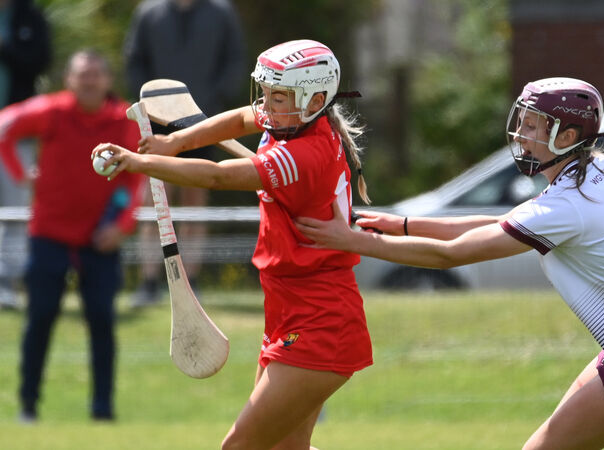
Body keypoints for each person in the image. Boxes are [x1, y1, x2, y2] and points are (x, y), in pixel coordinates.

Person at [295, 78, 604, 449]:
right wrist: (404, 225)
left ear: (568, 136)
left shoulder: (571, 202)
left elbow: (452, 254)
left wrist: (353, 241)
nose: (520, 134)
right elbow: (502, 223)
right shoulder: (594, 170)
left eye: (532, 126)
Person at [93, 39, 373, 448]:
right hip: (292, 311)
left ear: (315, 100)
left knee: (239, 447)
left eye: (278, 97)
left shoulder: (303, 154)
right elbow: (243, 117)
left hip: (320, 322)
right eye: (266, 93)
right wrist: (175, 143)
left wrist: (140, 162)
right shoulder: (293, 118)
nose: (266, 105)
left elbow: (218, 176)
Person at [0, 49, 144, 422]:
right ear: (69, 80)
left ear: (108, 80)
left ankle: (102, 411)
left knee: (101, 321)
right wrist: (20, 173)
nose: (89, 81)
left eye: (96, 74)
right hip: (49, 233)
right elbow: (5, 127)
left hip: (101, 238)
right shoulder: (51, 111)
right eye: (82, 74)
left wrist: (122, 226)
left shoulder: (124, 119)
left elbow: (138, 177)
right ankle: (28, 406)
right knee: (40, 318)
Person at [123, 0, 247, 306]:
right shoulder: (148, 12)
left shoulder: (221, 12)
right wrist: (150, 104)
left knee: (195, 201)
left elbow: (234, 61)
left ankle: (191, 283)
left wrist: (214, 100)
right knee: (155, 199)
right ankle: (149, 283)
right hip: (155, 122)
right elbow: (134, 61)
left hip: (204, 121)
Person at [0, 0, 51, 309]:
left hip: (17, 135)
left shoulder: (30, 16)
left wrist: (5, 47)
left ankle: (8, 282)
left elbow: (39, 61)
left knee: (15, 208)